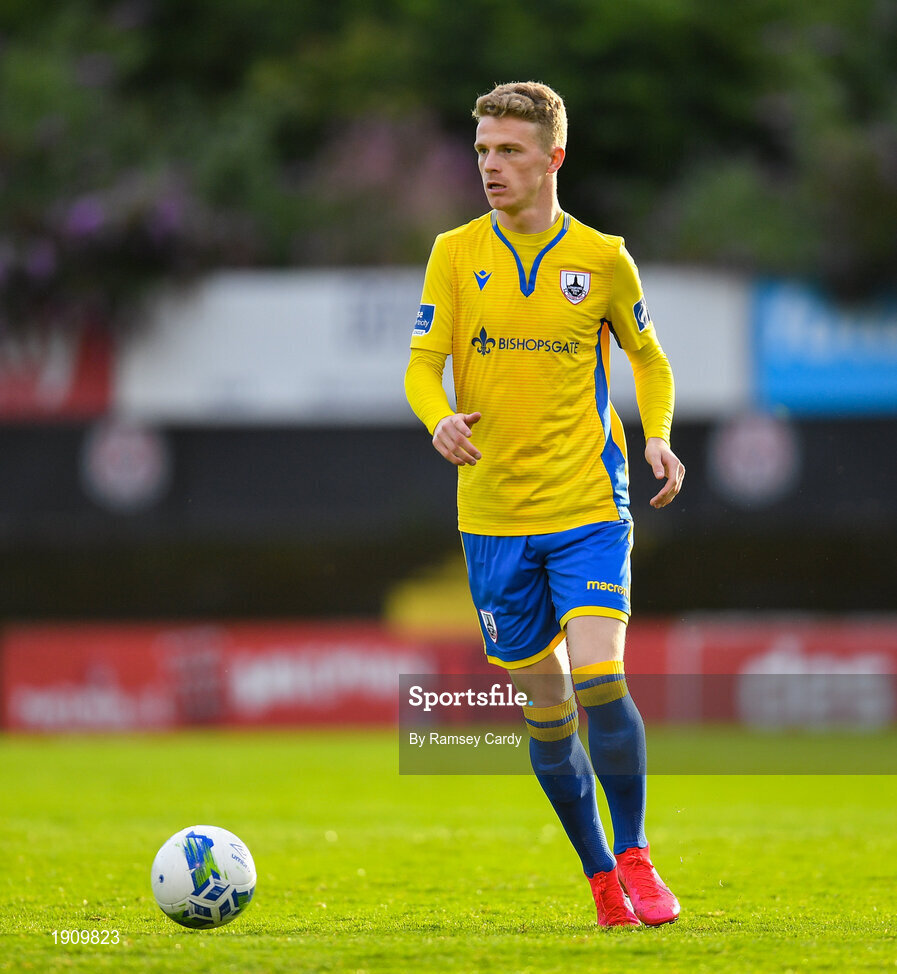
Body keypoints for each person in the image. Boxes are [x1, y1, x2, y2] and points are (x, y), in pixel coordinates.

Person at [404, 81, 685, 928]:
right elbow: (422, 364)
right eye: (484, 150)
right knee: (547, 704)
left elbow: (649, 358)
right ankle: (600, 876)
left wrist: (658, 435)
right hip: (491, 517)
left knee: (601, 675)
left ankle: (635, 857)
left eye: (510, 151)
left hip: (586, 502)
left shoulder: (602, 258)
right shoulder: (454, 253)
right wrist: (437, 418)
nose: (491, 165)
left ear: (552, 158)